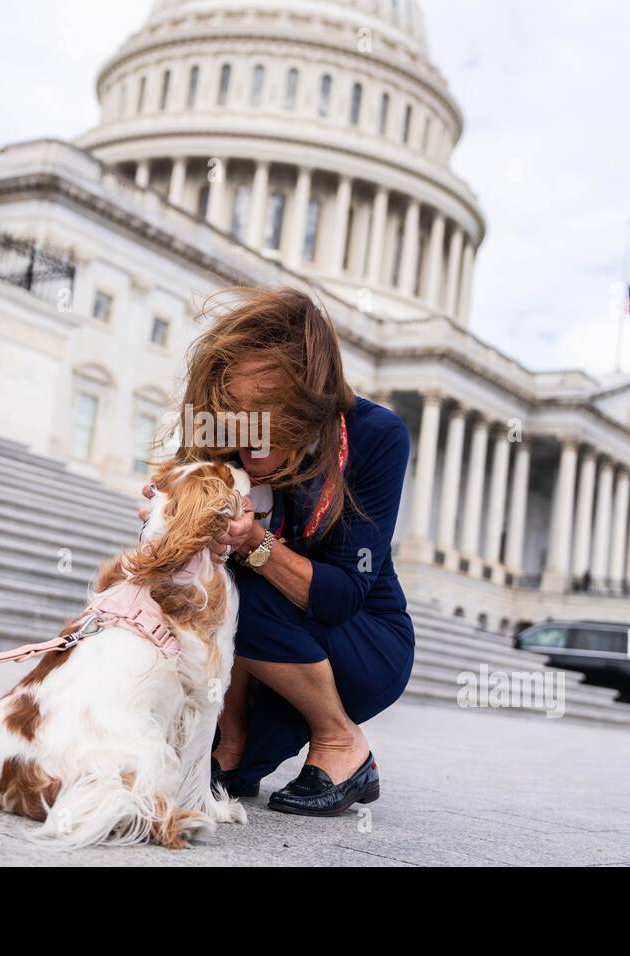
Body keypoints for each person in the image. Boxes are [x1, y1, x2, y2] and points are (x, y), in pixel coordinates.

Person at [141, 288, 415, 816]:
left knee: (239, 584)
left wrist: (253, 542)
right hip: (261, 655)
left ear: (309, 405)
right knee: (236, 767)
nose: (249, 443)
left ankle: (340, 741)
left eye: (268, 420)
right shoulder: (226, 428)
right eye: (238, 417)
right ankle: (234, 740)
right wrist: (169, 517)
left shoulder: (376, 435)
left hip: (360, 642)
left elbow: (341, 595)